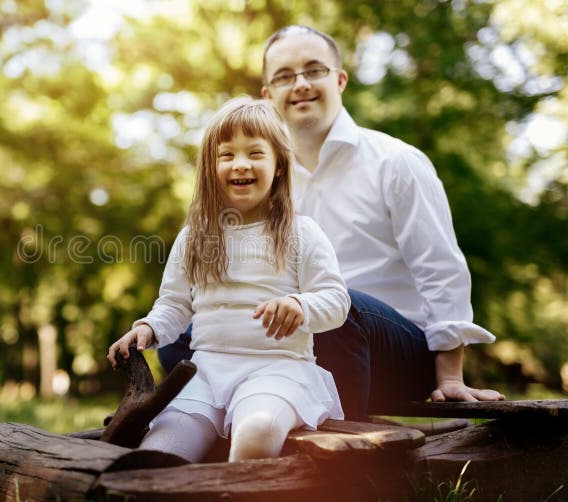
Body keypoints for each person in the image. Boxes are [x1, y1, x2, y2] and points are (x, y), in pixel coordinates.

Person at [159, 25, 505, 419]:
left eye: (314, 70)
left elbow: (440, 269)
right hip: (287, 349)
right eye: (285, 76)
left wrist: (448, 377)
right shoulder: (261, 179)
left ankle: (340, 448)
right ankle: (231, 411)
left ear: (339, 79)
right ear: (268, 95)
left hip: (392, 352)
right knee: (180, 337)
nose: (301, 84)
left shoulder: (396, 162)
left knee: (337, 304)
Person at [107, 96, 349, 463]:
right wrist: (149, 329)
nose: (240, 164)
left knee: (259, 431)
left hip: (278, 371)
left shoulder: (302, 232)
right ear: (210, 167)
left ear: (279, 166)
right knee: (163, 448)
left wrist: (301, 304)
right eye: (227, 155)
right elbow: (174, 305)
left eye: (255, 153)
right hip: (204, 374)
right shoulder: (194, 238)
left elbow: (336, 300)